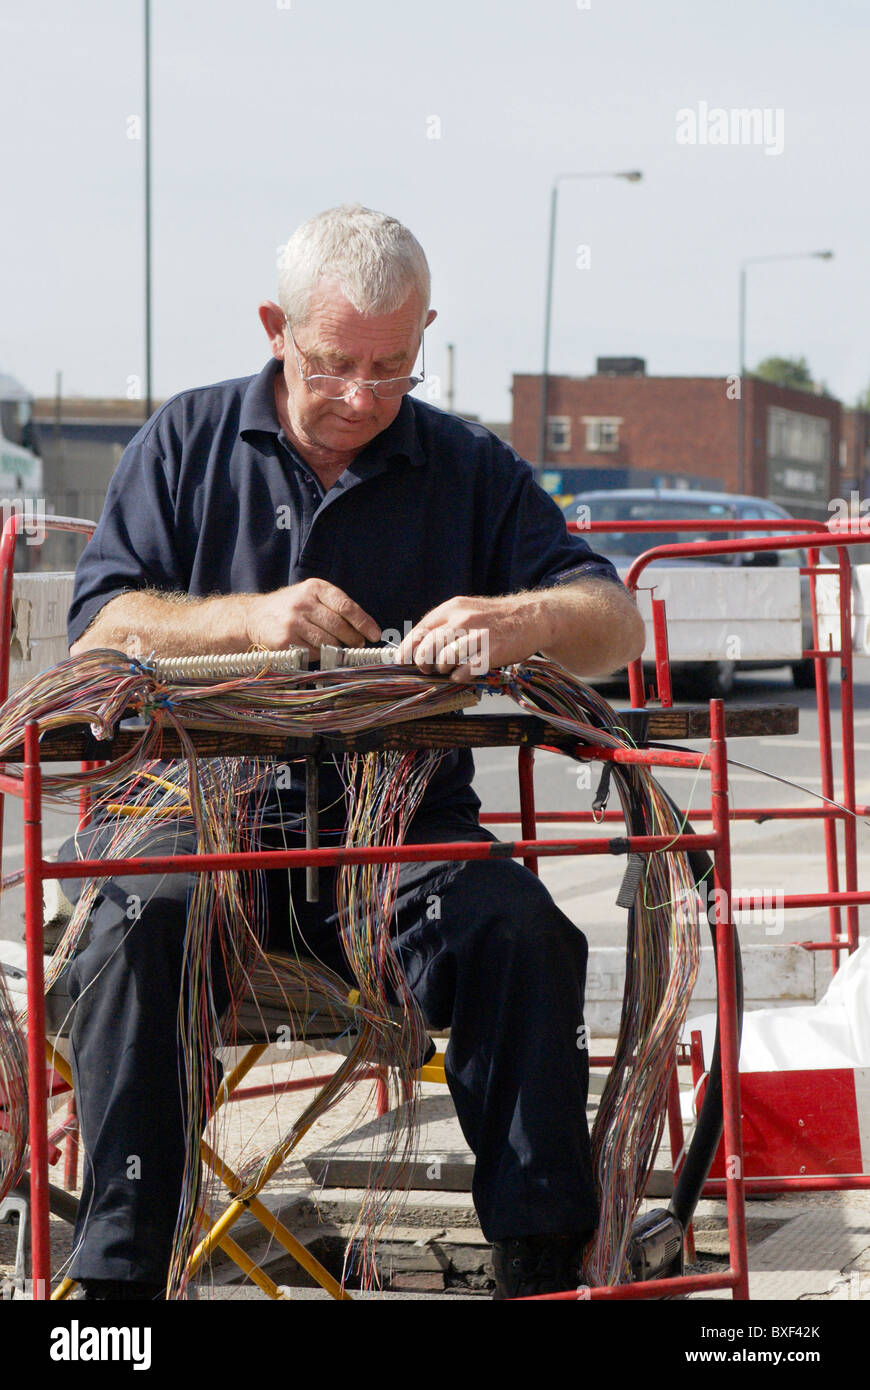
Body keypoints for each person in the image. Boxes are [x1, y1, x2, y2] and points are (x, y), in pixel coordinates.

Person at [61, 203, 645, 1300]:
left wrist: (518, 621)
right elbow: (99, 631)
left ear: (428, 335)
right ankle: (119, 1291)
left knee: (521, 930)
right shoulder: (184, 441)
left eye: (395, 366)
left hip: (400, 842)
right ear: (276, 326)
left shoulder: (469, 465)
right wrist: (245, 621)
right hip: (195, 823)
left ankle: (542, 1262)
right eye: (336, 364)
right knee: (135, 920)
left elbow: (614, 624)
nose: (365, 398)